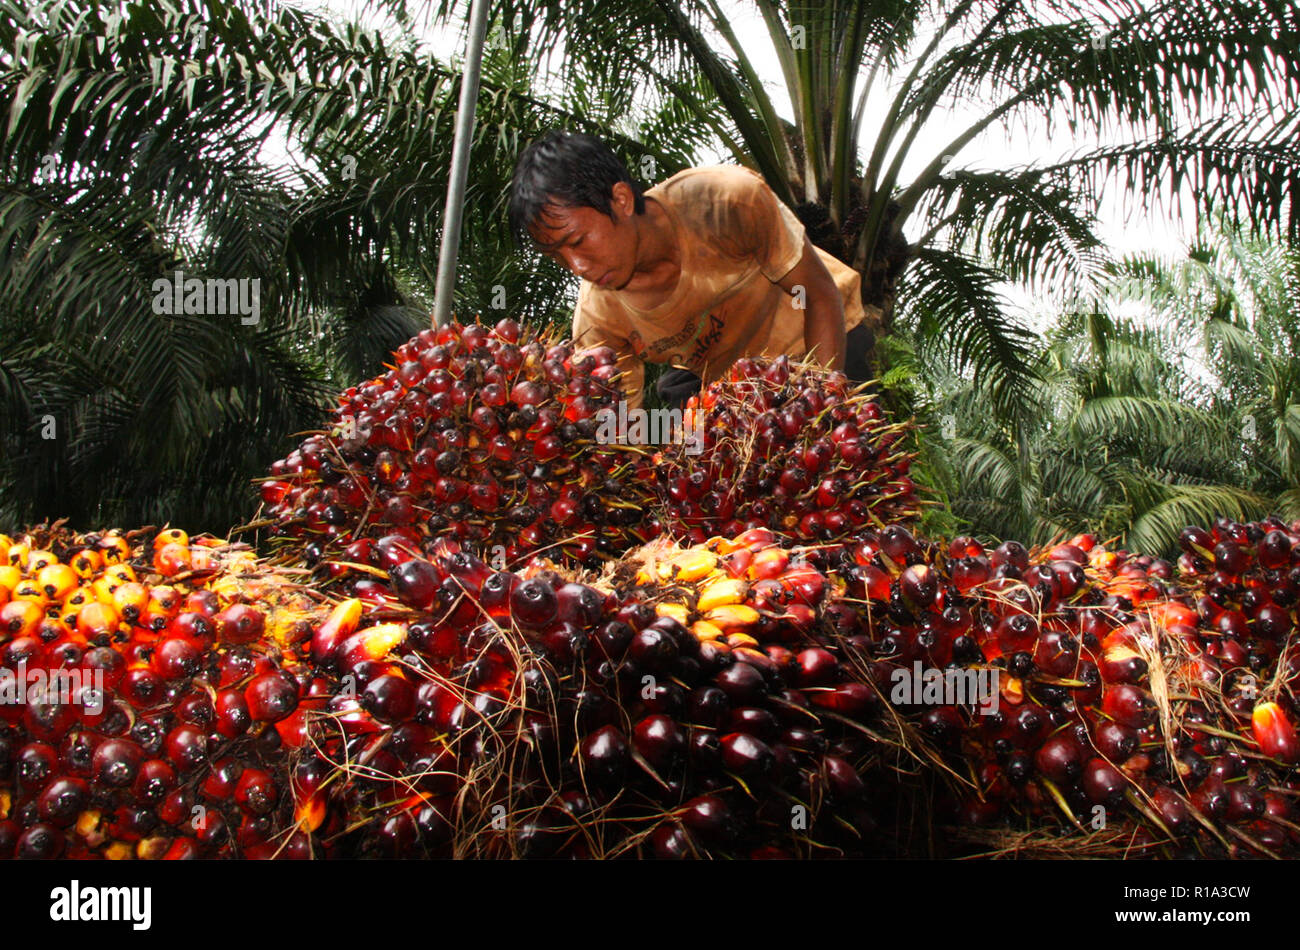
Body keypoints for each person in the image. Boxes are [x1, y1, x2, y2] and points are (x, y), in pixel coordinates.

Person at [508, 130, 878, 410]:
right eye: (558, 257)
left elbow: (816, 293)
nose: (577, 267)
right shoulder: (599, 317)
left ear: (620, 200)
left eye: (577, 241)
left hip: (819, 337)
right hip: (732, 389)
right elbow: (619, 427)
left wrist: (821, 413)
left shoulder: (726, 202)